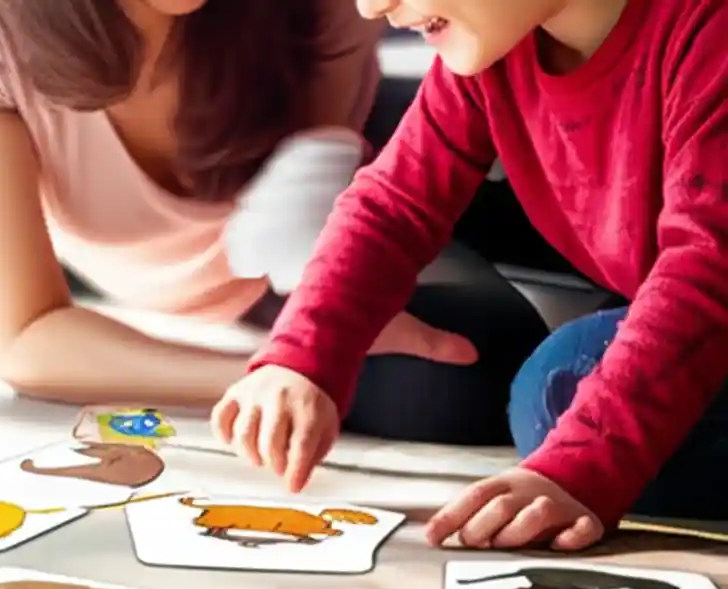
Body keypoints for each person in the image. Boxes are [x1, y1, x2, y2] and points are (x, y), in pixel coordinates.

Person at [0, 0, 551, 446]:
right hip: (107, 255)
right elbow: (25, 342)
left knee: (487, 358)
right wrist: (283, 373)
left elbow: (321, 193)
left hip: (294, 211)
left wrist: (329, 307)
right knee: (423, 393)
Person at [215, 0, 728, 550]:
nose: (370, 7)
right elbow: (394, 204)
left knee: (559, 388)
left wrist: (578, 465)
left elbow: (706, 267)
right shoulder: (498, 49)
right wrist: (301, 357)